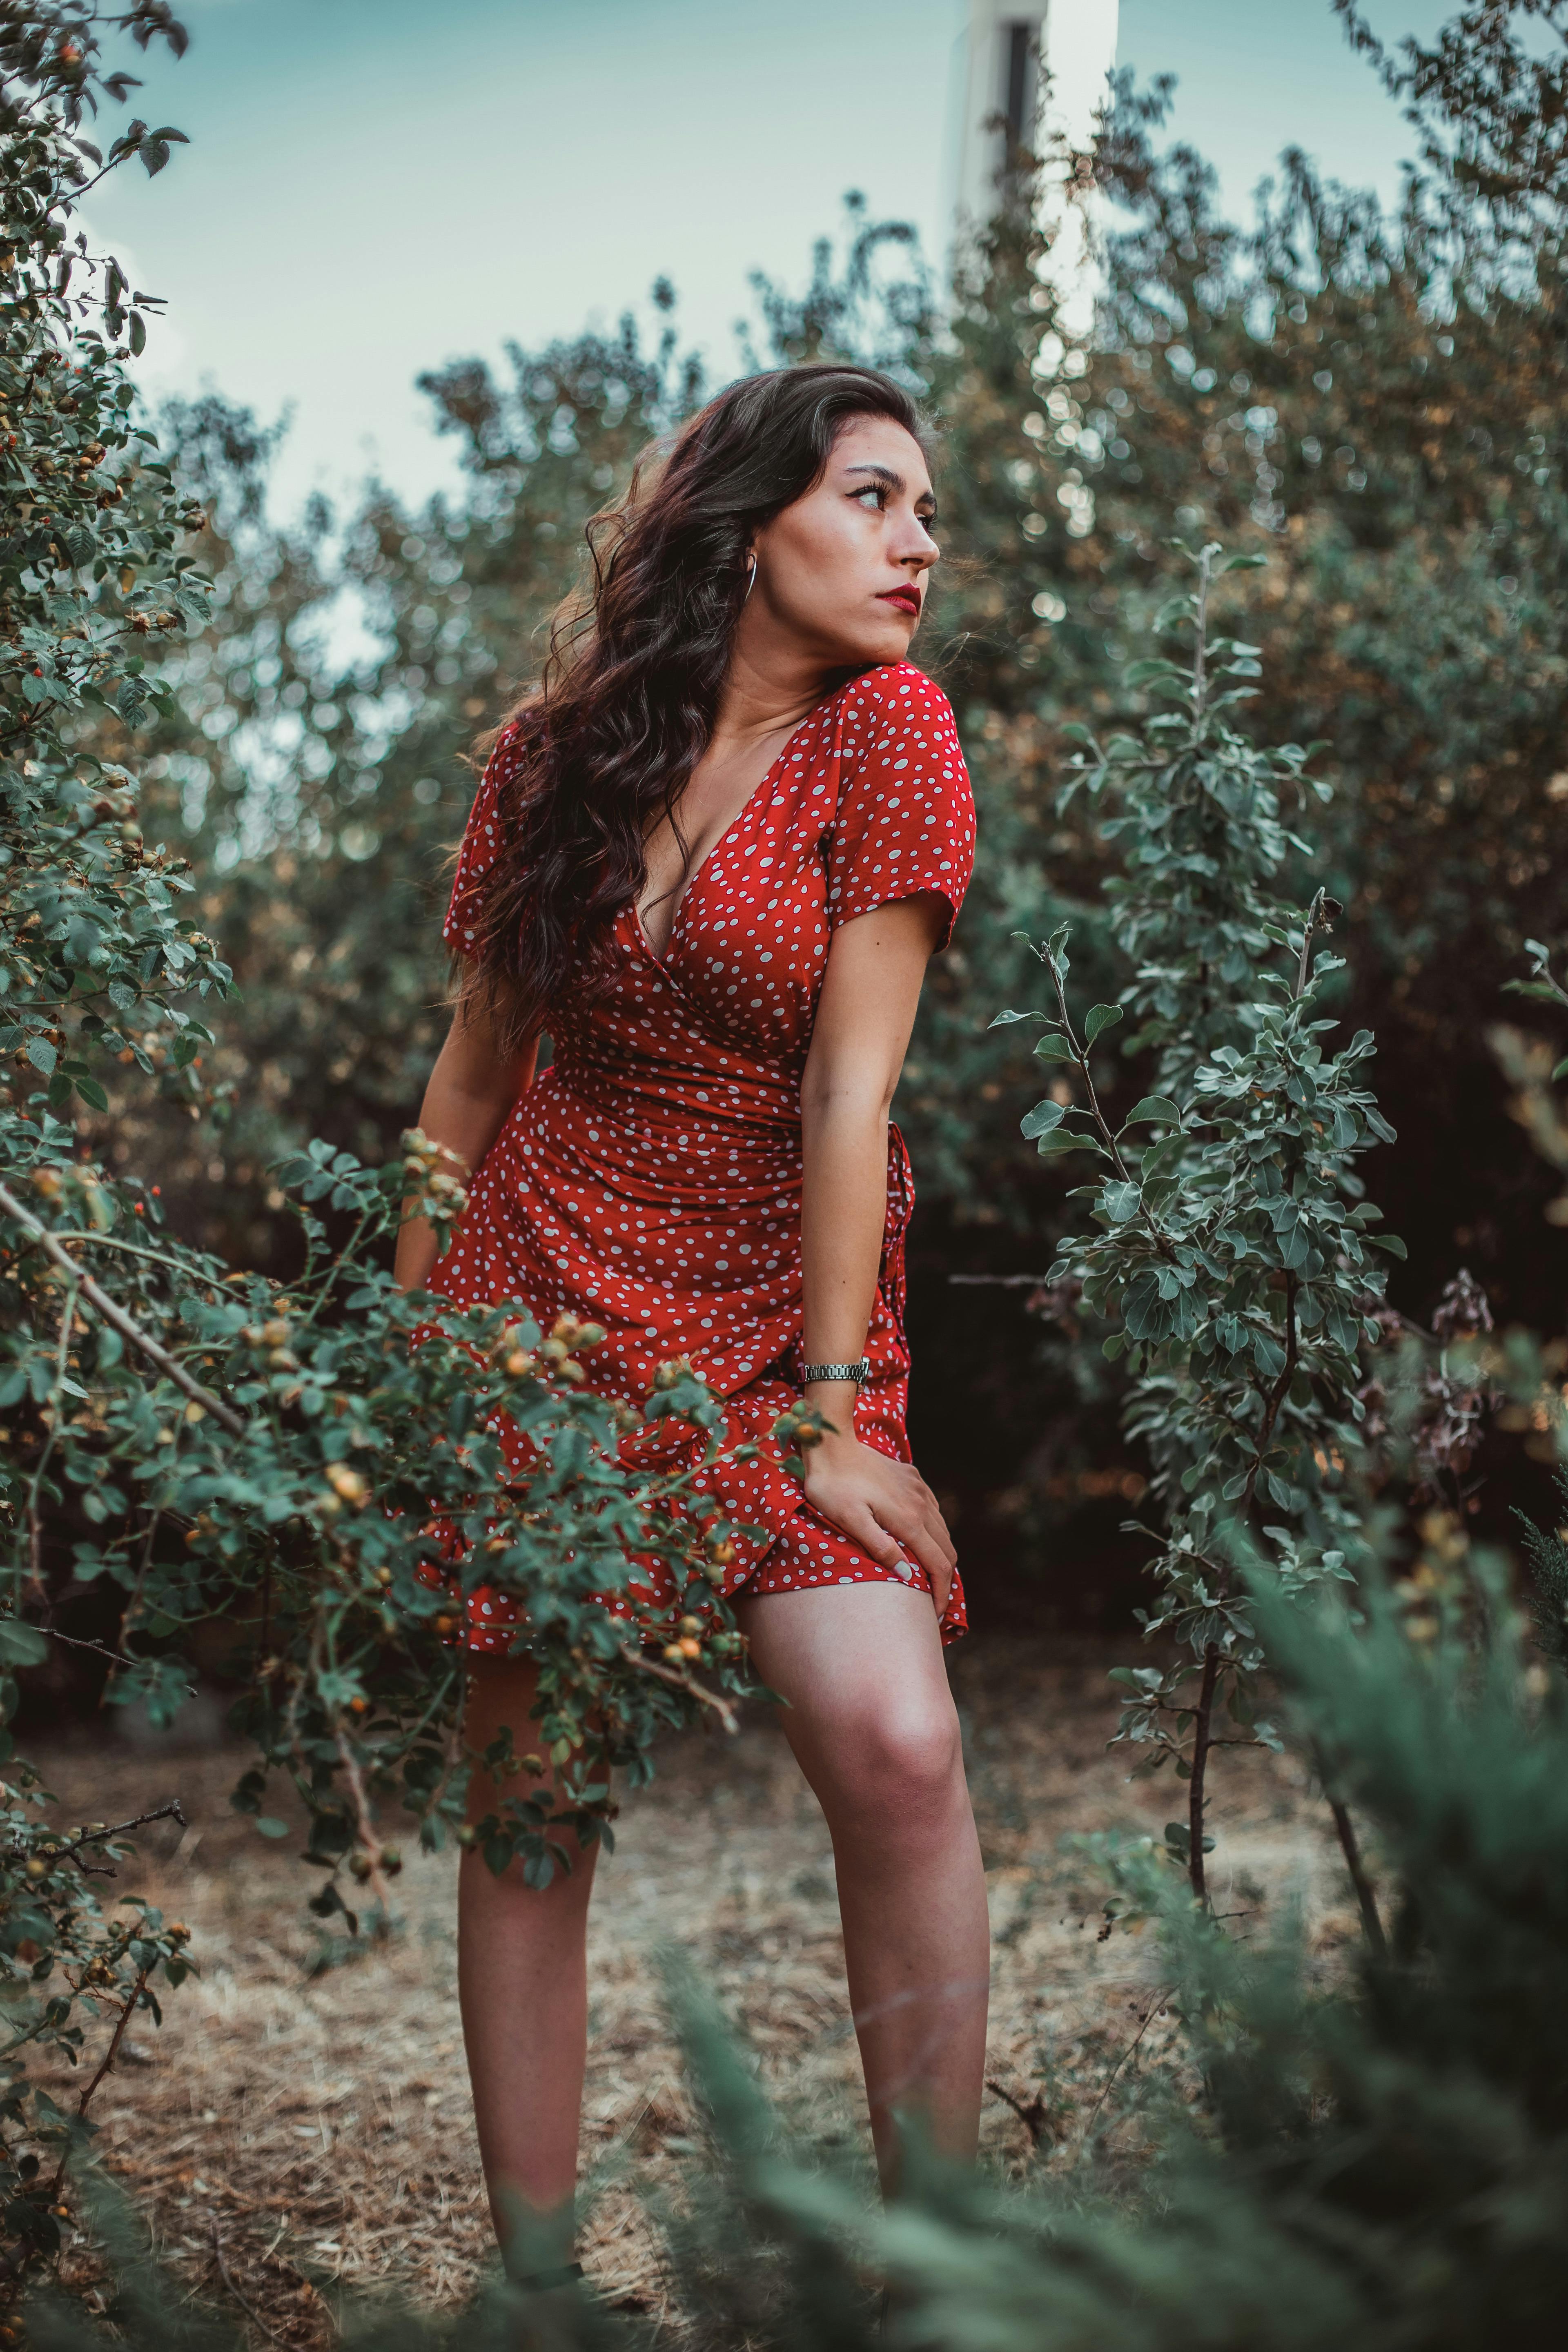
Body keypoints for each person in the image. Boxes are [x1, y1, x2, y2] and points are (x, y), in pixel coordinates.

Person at [394, 363, 987, 2266]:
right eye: (876, 500)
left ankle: (935, 2281)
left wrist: (831, 1405)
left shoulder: (891, 732)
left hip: (774, 1311)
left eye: (924, 511)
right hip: (536, 1305)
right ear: (748, 527)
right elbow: (471, 1084)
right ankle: (545, 2289)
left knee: (894, 1744)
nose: (919, 545)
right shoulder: (552, 757)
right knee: (533, 1807)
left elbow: (849, 1098)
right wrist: (402, 1358)